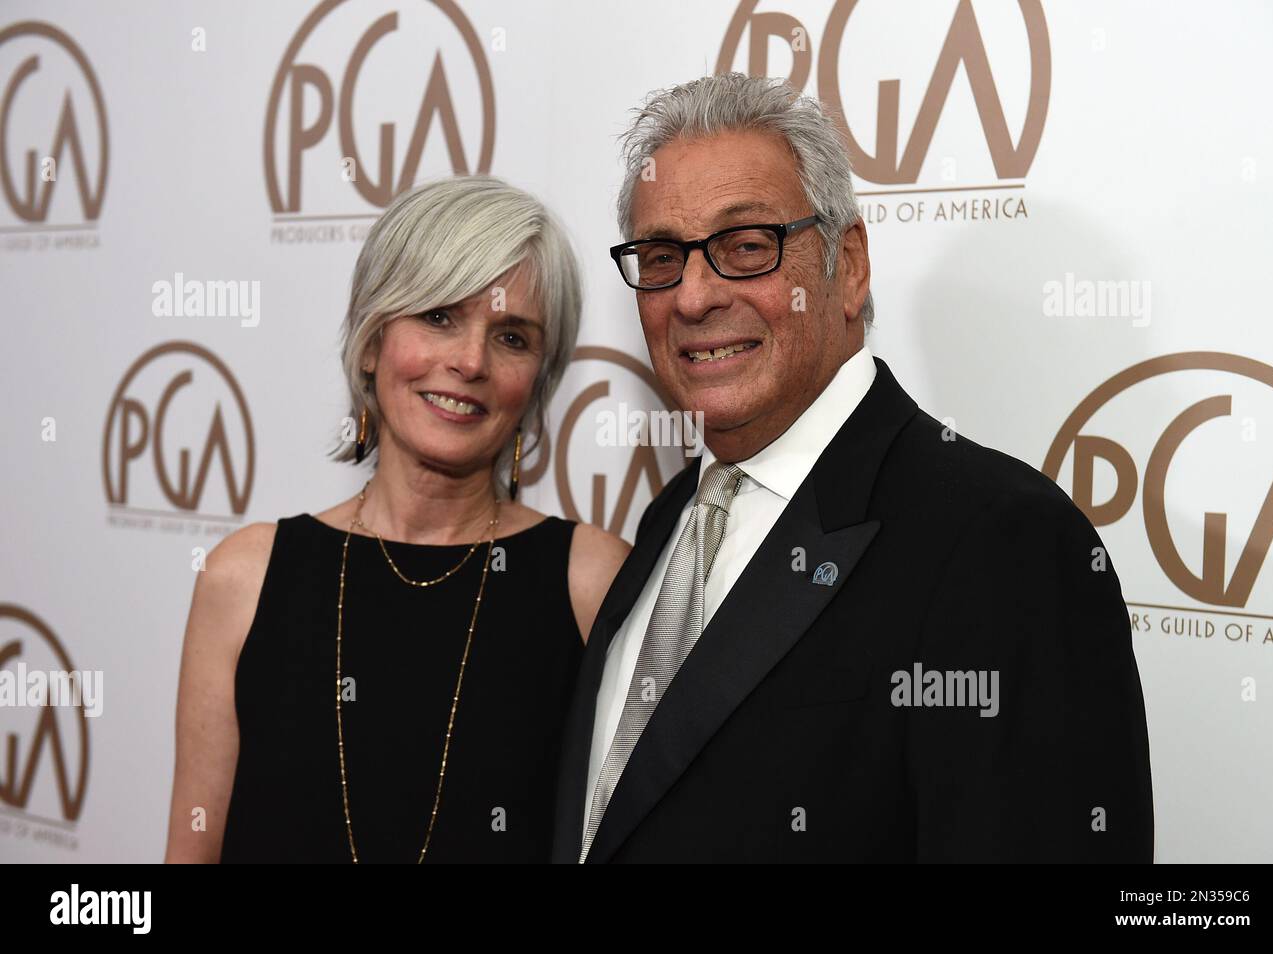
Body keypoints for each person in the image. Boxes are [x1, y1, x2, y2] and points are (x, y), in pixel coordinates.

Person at [553, 74, 1154, 863]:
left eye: (745, 246)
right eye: (662, 256)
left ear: (852, 265)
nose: (693, 297)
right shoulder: (670, 517)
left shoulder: (1002, 542)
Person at [165, 175, 629, 863]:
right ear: (374, 337)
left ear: (539, 378)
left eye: (511, 336)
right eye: (439, 315)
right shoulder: (244, 577)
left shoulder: (590, 583)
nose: (469, 360)